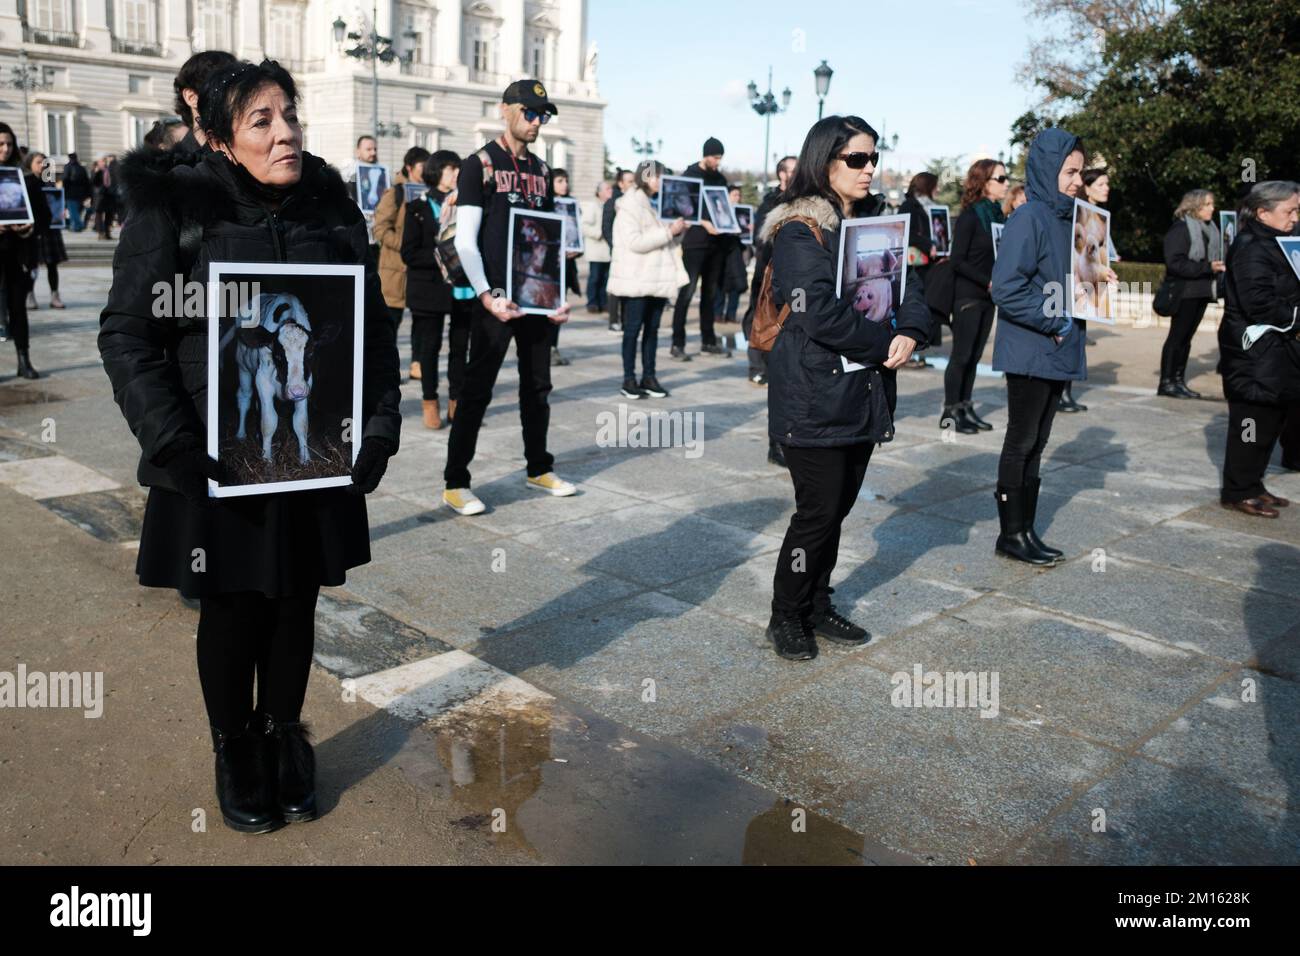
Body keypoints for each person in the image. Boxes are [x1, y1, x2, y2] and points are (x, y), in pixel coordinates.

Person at [98, 59, 401, 833]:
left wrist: (376, 424)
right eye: (262, 120)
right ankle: (236, 743)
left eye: (289, 114)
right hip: (212, 458)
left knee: (296, 600)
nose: (286, 132)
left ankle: (284, 733)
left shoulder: (330, 206)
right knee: (232, 608)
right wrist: (171, 439)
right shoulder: (175, 211)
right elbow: (129, 334)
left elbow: (369, 330)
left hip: (306, 456)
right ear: (221, 138)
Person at [763, 115, 929, 661]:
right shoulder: (798, 229)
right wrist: (885, 342)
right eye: (857, 159)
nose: (869, 168)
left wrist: (909, 329)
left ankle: (816, 603)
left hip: (864, 390)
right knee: (816, 513)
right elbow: (818, 313)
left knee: (837, 512)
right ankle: (786, 615)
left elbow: (911, 288)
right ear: (824, 161)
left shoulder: (879, 221)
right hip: (813, 393)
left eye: (873, 158)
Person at [442, 79, 576, 516]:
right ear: (505, 110)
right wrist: (486, 294)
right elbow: (466, 241)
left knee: (538, 385)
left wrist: (555, 294)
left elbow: (545, 241)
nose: (537, 121)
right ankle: (455, 481)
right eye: (530, 112)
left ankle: (539, 466)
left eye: (543, 114)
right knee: (476, 388)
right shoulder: (478, 163)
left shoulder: (539, 171)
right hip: (496, 297)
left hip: (534, 296)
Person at [991, 128, 1114, 566]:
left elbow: (1069, 281)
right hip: (1032, 346)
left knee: (1037, 441)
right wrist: (1055, 320)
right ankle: (1012, 534)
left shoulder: (1076, 219)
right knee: (1021, 440)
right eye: (1070, 171)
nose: (1078, 180)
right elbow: (1005, 287)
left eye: (1080, 172)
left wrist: (1098, 278)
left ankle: (1025, 529)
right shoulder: (1029, 217)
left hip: (1057, 346)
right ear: (1047, 168)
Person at [1215, 180, 1300, 518]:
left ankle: (1253, 484)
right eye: (1289, 210)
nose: (1295, 217)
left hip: (1277, 353)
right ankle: (1236, 490)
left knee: (1270, 421)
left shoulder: (1280, 241)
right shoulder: (1251, 246)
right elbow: (1259, 303)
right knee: (1250, 424)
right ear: (1263, 212)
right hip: (1253, 352)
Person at [401, 149, 474, 429]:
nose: (455, 173)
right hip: (429, 289)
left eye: (458, 168)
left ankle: (456, 401)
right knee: (429, 348)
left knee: (460, 348)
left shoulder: (466, 207)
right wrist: (442, 256)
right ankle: (430, 401)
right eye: (449, 169)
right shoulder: (417, 208)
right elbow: (409, 252)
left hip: (462, 288)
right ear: (436, 172)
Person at [607, 159, 687, 399]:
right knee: (632, 330)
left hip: (657, 277)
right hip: (636, 277)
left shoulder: (660, 204)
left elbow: (668, 242)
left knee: (652, 330)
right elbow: (635, 242)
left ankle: (649, 376)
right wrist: (667, 232)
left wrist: (679, 232)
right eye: (659, 177)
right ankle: (628, 379)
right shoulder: (630, 204)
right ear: (647, 177)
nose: (662, 182)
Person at [943, 159, 1007, 433]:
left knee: (975, 356)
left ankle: (965, 406)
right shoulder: (971, 216)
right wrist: (987, 280)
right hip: (968, 295)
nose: (1006, 184)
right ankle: (950, 412)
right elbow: (957, 260)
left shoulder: (997, 216)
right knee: (961, 356)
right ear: (984, 182)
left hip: (988, 297)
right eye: (1001, 179)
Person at [1158, 189, 1225, 398]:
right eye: (1207, 204)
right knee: (1177, 337)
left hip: (1201, 292)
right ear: (1195, 206)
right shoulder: (1181, 229)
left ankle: (1178, 380)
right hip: (1185, 292)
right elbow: (1175, 263)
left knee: (1186, 338)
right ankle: (1167, 382)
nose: (1212, 209)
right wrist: (1208, 267)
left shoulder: (1208, 229)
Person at [1058, 167, 1114, 413]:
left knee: (1078, 338)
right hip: (1075, 280)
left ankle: (1066, 391)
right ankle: (1060, 392)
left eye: (1106, 184)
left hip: (1091, 278)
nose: (1106, 188)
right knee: (1069, 336)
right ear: (1088, 187)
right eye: (1101, 184)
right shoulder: (1077, 213)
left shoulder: (1099, 216)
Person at [669, 138, 728, 360]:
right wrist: (704, 223)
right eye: (715, 157)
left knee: (710, 295)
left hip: (716, 242)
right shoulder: (690, 176)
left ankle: (708, 341)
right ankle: (678, 342)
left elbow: (721, 206)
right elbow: (684, 207)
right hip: (695, 242)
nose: (718, 161)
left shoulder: (720, 178)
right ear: (705, 155)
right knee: (687, 291)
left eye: (721, 158)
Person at [374, 145, 430, 378]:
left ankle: (417, 364)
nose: (426, 171)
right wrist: (403, 243)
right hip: (394, 269)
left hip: (417, 269)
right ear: (410, 167)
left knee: (421, 321)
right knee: (391, 322)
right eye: (421, 167)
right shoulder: (395, 192)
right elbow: (380, 228)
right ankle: (387, 368)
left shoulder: (427, 192)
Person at [0, 122, 49, 377]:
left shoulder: (25, 179)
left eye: (9, 143)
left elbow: (43, 215)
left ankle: (23, 360)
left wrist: (29, 227)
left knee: (18, 306)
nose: (5, 149)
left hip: (17, 251)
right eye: (0, 144)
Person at [744, 155, 796, 390]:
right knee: (761, 316)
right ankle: (757, 367)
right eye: (793, 170)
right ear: (782, 174)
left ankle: (778, 365)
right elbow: (761, 238)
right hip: (767, 269)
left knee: (786, 319)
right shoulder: (769, 202)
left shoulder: (803, 199)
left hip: (792, 271)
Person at [898, 171, 941, 367]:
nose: (938, 189)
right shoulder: (910, 205)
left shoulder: (927, 206)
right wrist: (927, 244)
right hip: (914, 263)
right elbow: (906, 231)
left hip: (926, 263)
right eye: (935, 186)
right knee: (914, 302)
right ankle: (910, 353)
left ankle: (918, 352)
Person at [172, 49, 238, 158]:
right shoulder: (171, 168)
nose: (233, 100)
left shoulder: (251, 158)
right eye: (222, 89)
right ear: (191, 97)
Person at [22, 151, 67, 310]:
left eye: (44, 162)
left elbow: (55, 202)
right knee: (31, 264)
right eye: (38, 162)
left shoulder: (48, 181)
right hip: (33, 229)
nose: (42, 165)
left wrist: (60, 211)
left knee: (52, 264)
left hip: (50, 228)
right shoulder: (26, 181)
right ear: (30, 164)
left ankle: (55, 295)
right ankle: (29, 295)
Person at [548, 166, 580, 366]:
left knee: (561, 306)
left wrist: (577, 248)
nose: (564, 185)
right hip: (550, 264)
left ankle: (553, 346)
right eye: (559, 181)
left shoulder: (572, 204)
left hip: (567, 264)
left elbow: (577, 232)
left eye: (566, 181)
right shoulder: (545, 204)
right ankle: (546, 346)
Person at [602, 167, 634, 332]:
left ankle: (626, 319)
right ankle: (614, 320)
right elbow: (606, 227)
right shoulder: (612, 202)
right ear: (621, 184)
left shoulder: (636, 201)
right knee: (615, 287)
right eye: (629, 181)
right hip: (618, 252)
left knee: (629, 287)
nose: (632, 184)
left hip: (633, 252)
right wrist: (615, 246)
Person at [582, 180, 612, 313]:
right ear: (599, 192)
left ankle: (603, 302)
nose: (610, 191)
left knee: (605, 278)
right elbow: (585, 226)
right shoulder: (593, 206)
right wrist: (599, 234)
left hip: (608, 250)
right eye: (607, 189)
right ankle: (592, 302)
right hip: (596, 249)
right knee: (595, 277)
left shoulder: (612, 205)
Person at [92, 154, 119, 240]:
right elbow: (93, 182)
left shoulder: (111, 170)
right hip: (100, 196)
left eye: (105, 161)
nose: (104, 163)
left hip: (110, 195)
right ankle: (100, 233)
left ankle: (107, 233)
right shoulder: (97, 171)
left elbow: (115, 181)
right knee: (99, 215)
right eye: (102, 161)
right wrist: (96, 172)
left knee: (109, 215)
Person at [61, 151, 90, 232]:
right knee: (76, 210)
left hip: (70, 193)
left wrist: (64, 191)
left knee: (73, 211)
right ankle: (75, 226)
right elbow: (87, 182)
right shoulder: (82, 168)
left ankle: (78, 225)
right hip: (81, 193)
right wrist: (87, 193)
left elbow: (65, 180)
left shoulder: (68, 167)